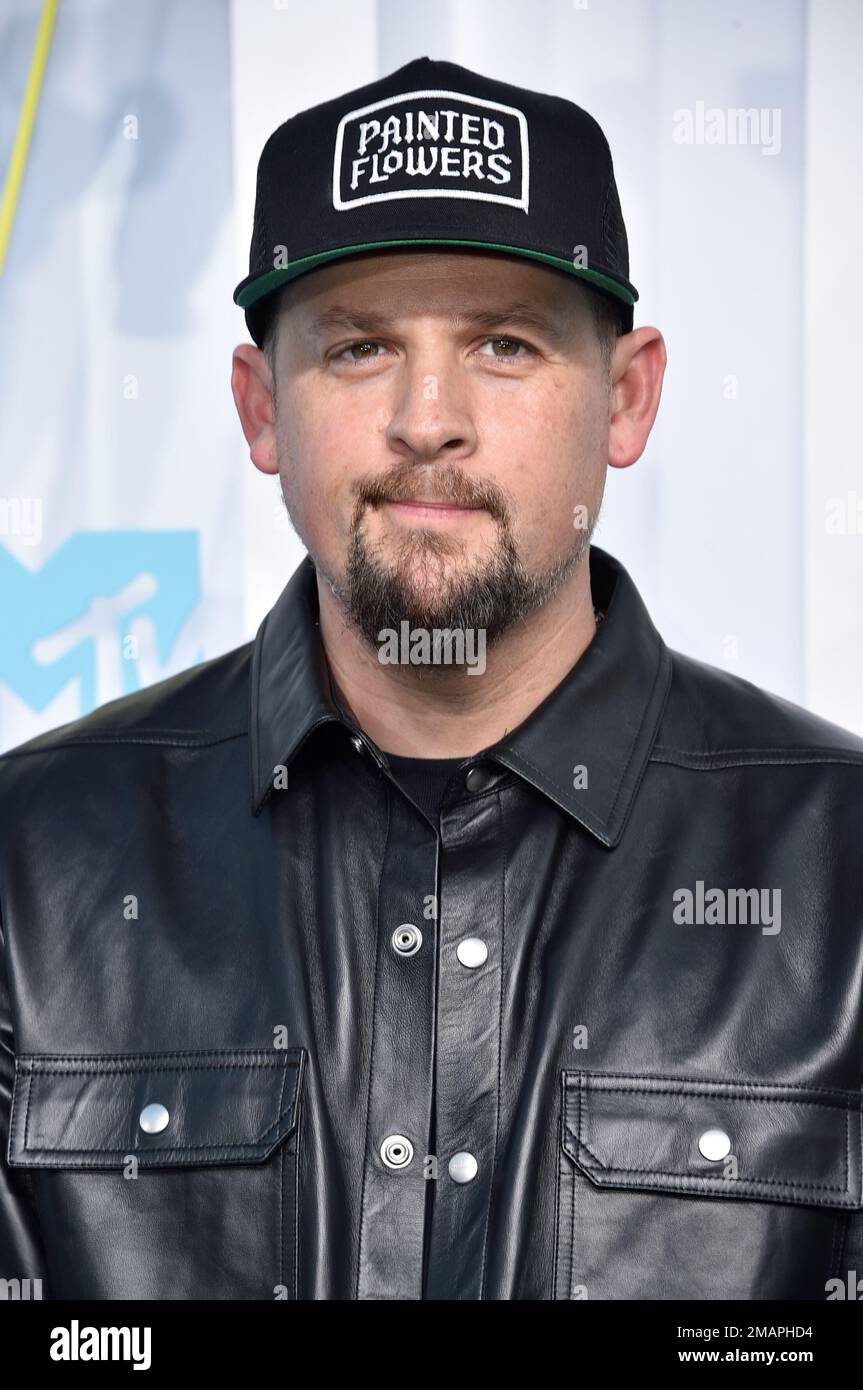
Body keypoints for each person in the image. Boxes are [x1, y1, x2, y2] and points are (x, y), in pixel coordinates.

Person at [1, 56, 862, 1303]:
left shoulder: (838, 868)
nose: (426, 417)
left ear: (625, 400)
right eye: (357, 349)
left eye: (502, 345)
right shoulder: (31, 862)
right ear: (260, 411)